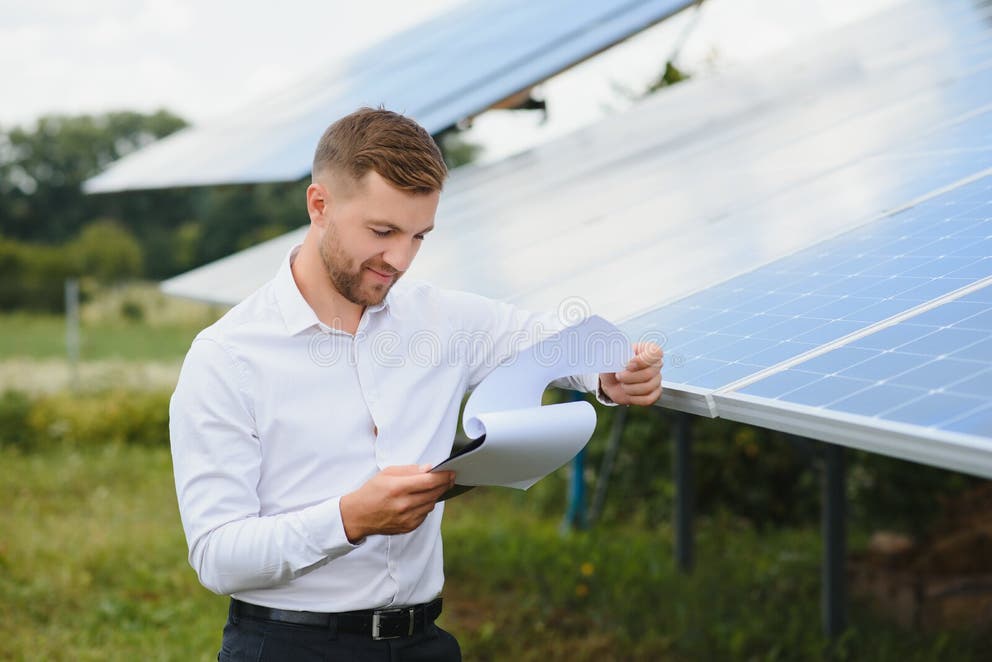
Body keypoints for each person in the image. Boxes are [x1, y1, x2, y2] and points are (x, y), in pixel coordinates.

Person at [169, 107, 663, 661]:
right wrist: (350, 518)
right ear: (319, 205)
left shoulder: (441, 321)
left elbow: (559, 344)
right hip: (289, 646)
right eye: (381, 232)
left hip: (424, 644)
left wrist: (613, 371)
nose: (399, 259)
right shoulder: (226, 358)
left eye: (418, 236)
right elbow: (217, 554)